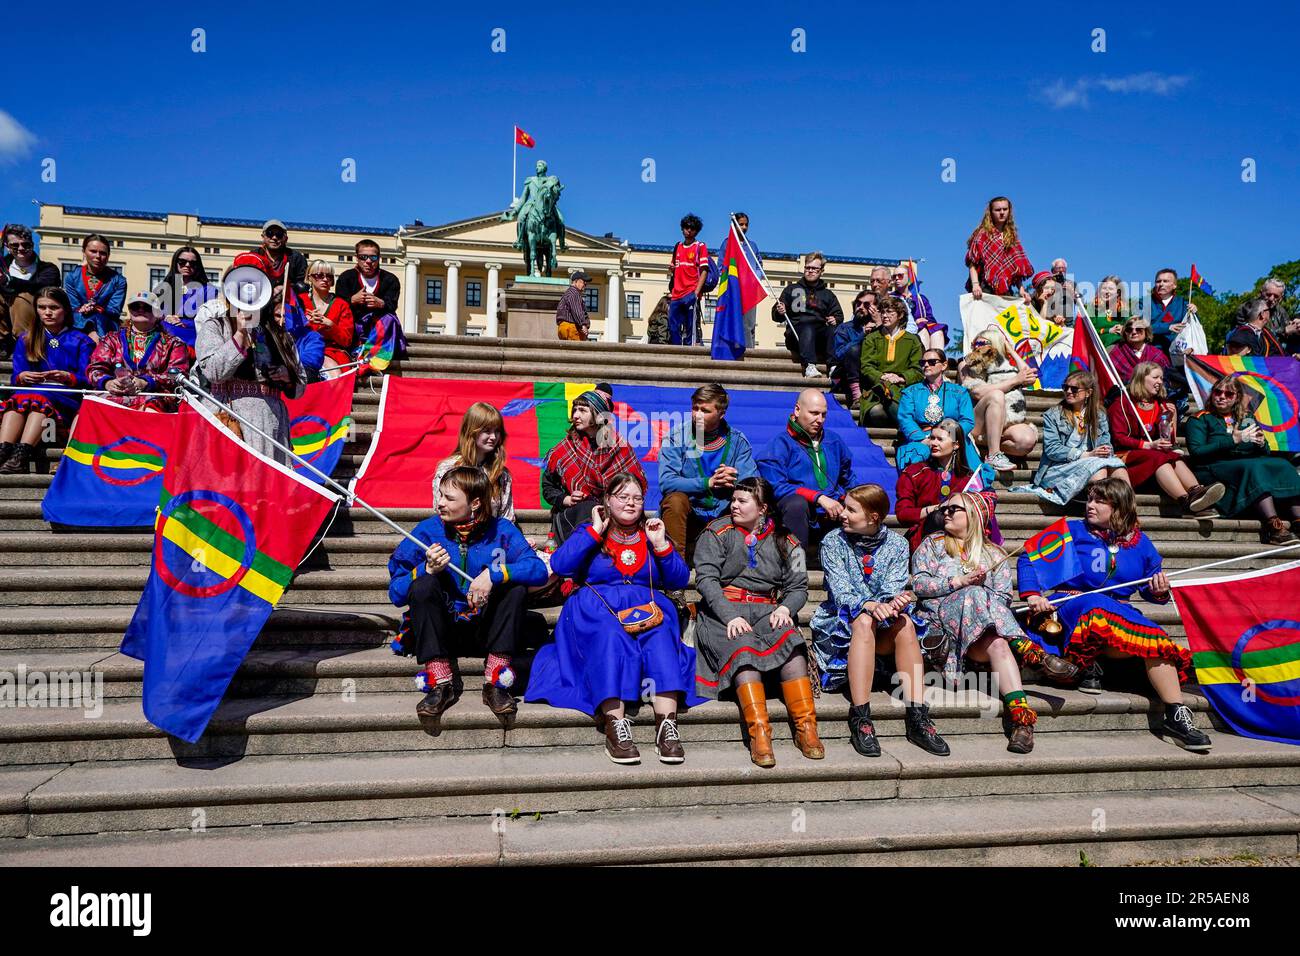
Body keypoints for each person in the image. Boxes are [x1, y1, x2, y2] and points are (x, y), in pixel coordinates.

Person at [1019, 478, 1212, 751]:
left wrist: (1158, 589)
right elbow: (1028, 557)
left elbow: (1149, 590)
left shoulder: (1141, 543)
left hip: (1119, 614)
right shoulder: (1072, 531)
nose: (1090, 505)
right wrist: (1033, 595)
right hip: (1072, 608)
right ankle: (1090, 664)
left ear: (1119, 507)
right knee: (1096, 607)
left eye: (1100, 501)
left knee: (1155, 641)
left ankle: (1176, 713)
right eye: (1090, 499)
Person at [525, 473, 699, 765]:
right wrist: (594, 531)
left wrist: (660, 545)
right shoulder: (590, 530)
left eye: (637, 498)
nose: (631, 503)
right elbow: (560, 565)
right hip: (596, 607)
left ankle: (666, 727)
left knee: (659, 637)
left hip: (648, 608)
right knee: (609, 635)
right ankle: (615, 726)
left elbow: (679, 579)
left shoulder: (652, 530)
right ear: (607, 500)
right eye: (623, 496)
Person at [387, 466, 547, 727]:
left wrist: (494, 574)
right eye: (440, 495)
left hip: (487, 630)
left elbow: (539, 570)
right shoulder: (427, 531)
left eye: (449, 498)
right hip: (443, 632)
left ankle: (495, 681)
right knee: (423, 585)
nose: (440, 503)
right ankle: (440, 683)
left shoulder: (502, 531)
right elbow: (396, 593)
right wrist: (424, 570)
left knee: (515, 586)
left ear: (474, 503)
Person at [809, 483, 949, 757]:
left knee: (906, 623)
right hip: (841, 623)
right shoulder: (832, 542)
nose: (843, 514)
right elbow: (841, 591)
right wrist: (870, 605)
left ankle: (918, 716)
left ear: (873, 517)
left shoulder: (897, 544)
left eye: (851, 509)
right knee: (862, 620)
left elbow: (893, 585)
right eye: (845, 507)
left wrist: (892, 602)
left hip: (882, 622)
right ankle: (861, 717)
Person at [692, 476, 822, 767]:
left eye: (742, 501)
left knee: (791, 644)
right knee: (744, 648)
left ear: (763, 508)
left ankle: (806, 727)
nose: (734, 505)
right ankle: (759, 731)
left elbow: (799, 587)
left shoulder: (791, 543)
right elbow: (707, 580)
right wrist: (730, 615)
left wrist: (786, 609)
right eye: (733, 500)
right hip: (724, 611)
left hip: (767, 610)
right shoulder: (716, 532)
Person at [911, 492, 1039, 753]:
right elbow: (919, 585)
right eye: (944, 508)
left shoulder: (995, 554)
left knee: (999, 644)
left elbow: (1002, 601)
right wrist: (958, 583)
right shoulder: (932, 545)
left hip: (977, 639)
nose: (944, 513)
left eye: (953, 509)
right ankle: (1029, 649)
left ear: (974, 516)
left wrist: (979, 593)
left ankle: (1021, 719)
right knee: (973, 592)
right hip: (940, 632)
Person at [195, 265, 307, 462]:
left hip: (270, 420)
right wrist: (239, 335)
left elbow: (301, 386)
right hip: (229, 414)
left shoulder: (280, 334)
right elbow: (213, 372)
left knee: (267, 485)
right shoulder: (215, 326)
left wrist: (288, 377)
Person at [1186, 374, 1300, 544]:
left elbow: (1265, 450)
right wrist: (1232, 440)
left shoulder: (1246, 417)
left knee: (1283, 464)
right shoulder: (1200, 419)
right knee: (1254, 468)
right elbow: (1197, 451)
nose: (1222, 397)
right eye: (1218, 392)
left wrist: (1261, 444)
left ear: (1237, 397)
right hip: (1214, 466)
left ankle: (1298, 520)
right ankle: (1274, 526)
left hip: (1246, 462)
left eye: (1229, 394)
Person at [657, 383, 758, 558]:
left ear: (721, 414)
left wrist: (734, 479)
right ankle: (675, 569)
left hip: (725, 512)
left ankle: (746, 564)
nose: (698, 415)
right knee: (674, 500)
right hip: (691, 514)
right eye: (695, 408)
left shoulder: (737, 441)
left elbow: (753, 482)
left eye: (705, 410)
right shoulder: (676, 436)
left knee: (749, 499)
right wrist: (708, 482)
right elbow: (667, 481)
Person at [0, 287, 94, 475]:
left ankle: (21, 456)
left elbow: (90, 379)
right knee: (16, 401)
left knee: (37, 399)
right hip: (33, 393)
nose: (47, 312)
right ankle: (4, 451)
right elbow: (15, 376)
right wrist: (23, 376)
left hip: (66, 397)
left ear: (66, 310)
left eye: (54, 307)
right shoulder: (26, 338)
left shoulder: (81, 340)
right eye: (42, 307)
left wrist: (69, 377)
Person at [1109, 362, 1221, 514]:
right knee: (1159, 457)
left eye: (1161, 378)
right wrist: (1149, 445)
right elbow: (1118, 438)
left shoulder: (1161, 405)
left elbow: (1168, 441)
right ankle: (1185, 501)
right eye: (1155, 377)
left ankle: (1197, 492)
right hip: (1126, 457)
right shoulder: (1121, 404)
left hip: (1153, 457)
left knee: (1171, 455)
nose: (1160, 382)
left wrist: (1170, 420)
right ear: (1141, 378)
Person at [542, 389, 645, 544]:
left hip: (614, 512)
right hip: (577, 514)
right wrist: (566, 499)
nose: (575, 415)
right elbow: (548, 487)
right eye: (574, 410)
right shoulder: (563, 450)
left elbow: (636, 485)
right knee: (588, 508)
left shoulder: (619, 445)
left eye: (582, 410)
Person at [756, 388, 854, 547]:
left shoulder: (834, 441)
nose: (820, 420)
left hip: (832, 513)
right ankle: (796, 564)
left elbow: (848, 478)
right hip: (798, 513)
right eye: (814, 413)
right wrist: (818, 497)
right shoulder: (780, 444)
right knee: (796, 504)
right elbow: (775, 486)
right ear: (797, 410)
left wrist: (852, 498)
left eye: (823, 414)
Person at [1029, 370, 1128, 505]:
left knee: (1119, 467)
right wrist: (1085, 454)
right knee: (1100, 467)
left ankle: (1127, 511)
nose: (1068, 391)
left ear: (1088, 393)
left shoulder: (1099, 415)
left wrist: (1105, 450)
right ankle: (1095, 509)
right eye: (1065, 387)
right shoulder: (1053, 415)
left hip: (1092, 463)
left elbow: (1105, 442)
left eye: (1074, 389)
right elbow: (1052, 450)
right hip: (1059, 468)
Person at [895, 419, 995, 551]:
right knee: (937, 517)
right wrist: (937, 508)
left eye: (940, 439)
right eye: (932, 438)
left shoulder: (969, 478)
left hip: (963, 539)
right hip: (924, 540)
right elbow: (903, 514)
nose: (933, 443)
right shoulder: (914, 472)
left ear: (956, 445)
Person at [86, 291, 190, 413]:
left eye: (146, 307)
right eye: (135, 306)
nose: (140, 310)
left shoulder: (173, 344)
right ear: (130, 311)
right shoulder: (112, 339)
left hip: (156, 397)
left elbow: (178, 375)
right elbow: (95, 368)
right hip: (114, 394)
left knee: (152, 408)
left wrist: (147, 381)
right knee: (88, 405)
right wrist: (107, 382)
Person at [959, 326, 1038, 472]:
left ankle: (984, 446)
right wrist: (1015, 381)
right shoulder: (966, 364)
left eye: (983, 344)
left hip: (1003, 422)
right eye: (976, 343)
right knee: (996, 395)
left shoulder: (1004, 365)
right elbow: (977, 392)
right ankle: (993, 454)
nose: (977, 347)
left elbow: (1030, 376)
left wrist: (1010, 350)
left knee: (1026, 440)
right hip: (977, 422)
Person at [432, 402, 516, 521]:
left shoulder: (501, 474)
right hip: (455, 536)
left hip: (492, 538)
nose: (493, 437)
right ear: (471, 431)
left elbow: (507, 517)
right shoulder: (448, 468)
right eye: (487, 431)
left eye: (497, 431)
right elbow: (441, 510)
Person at [894, 348, 974, 471]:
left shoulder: (959, 392)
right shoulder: (910, 392)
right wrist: (923, 439)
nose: (926, 365)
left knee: (968, 459)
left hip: (952, 437)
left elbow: (967, 420)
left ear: (944, 365)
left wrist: (950, 438)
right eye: (922, 363)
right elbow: (905, 418)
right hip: (922, 438)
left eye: (931, 362)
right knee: (917, 454)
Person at [773, 251, 843, 377]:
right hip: (797, 334)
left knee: (833, 330)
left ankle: (833, 366)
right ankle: (810, 366)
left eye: (814, 268)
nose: (810, 271)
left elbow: (838, 315)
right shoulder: (791, 289)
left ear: (821, 271)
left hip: (819, 337)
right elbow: (775, 316)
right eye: (807, 267)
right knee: (808, 326)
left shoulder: (828, 295)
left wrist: (835, 319)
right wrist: (779, 311)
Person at [858, 296, 922, 428]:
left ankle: (910, 432)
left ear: (900, 315)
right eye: (882, 312)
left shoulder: (913, 340)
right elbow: (866, 366)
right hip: (877, 391)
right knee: (876, 412)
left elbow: (917, 370)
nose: (885, 316)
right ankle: (910, 430)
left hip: (903, 390)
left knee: (896, 406)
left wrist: (900, 378)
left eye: (890, 312)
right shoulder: (872, 338)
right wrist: (882, 377)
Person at [1, 224, 59, 354]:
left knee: (22, 297)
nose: (21, 248)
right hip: (5, 322)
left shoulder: (48, 269)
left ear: (33, 245)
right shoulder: (2, 266)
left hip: (34, 321)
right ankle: (2, 343)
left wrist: (9, 281)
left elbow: (42, 287)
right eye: (15, 245)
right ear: (7, 247)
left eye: (25, 245)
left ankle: (25, 344)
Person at [335, 239, 401, 345]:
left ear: (379, 258)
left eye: (373, 257)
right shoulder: (346, 277)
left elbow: (392, 305)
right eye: (363, 257)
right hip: (353, 325)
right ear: (357, 258)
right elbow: (337, 304)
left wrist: (381, 303)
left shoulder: (390, 279)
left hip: (380, 326)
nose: (369, 261)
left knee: (390, 318)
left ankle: (379, 356)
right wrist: (352, 300)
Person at [965, 197, 1034, 300]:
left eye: (1005, 209)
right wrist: (975, 284)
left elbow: (1016, 271)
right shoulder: (983, 234)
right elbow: (972, 262)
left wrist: (1021, 290)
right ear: (991, 212)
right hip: (985, 288)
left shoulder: (1012, 237)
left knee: (1008, 315)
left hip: (1006, 290)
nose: (1002, 212)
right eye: (997, 210)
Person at [153, 246, 217, 355]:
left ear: (198, 266)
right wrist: (167, 317)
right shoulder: (164, 287)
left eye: (192, 263)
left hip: (192, 335)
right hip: (164, 334)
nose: (187, 265)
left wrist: (181, 322)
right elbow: (153, 312)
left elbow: (208, 320)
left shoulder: (208, 290)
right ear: (175, 263)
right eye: (182, 262)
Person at [63, 234, 127, 341]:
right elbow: (73, 307)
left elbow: (114, 310)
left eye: (103, 253)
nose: (98, 256)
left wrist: (95, 309)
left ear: (108, 256)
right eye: (93, 251)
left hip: (105, 326)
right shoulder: (72, 277)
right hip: (78, 323)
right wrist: (81, 310)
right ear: (84, 252)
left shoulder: (118, 280)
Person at [830, 289, 879, 404]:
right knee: (854, 349)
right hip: (849, 376)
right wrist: (862, 335)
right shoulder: (845, 328)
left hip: (874, 374)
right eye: (858, 303)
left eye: (866, 304)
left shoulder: (884, 327)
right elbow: (839, 354)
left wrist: (880, 325)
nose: (860, 307)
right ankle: (857, 397)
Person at [667, 214, 709, 346]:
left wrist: (696, 292)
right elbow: (674, 267)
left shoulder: (700, 246)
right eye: (686, 227)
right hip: (676, 294)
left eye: (692, 228)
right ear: (682, 229)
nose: (689, 230)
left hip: (690, 292)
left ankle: (689, 355)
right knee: (672, 326)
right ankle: (675, 353)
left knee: (690, 328)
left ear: (696, 230)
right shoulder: (677, 246)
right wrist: (672, 269)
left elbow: (704, 270)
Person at [240, 219, 308, 294]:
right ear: (263, 237)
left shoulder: (296, 258)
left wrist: (286, 287)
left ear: (286, 239)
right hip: (258, 299)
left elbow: (302, 284)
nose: (274, 237)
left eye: (279, 234)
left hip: (287, 301)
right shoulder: (254, 256)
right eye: (270, 233)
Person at [1232, 278, 1298, 354]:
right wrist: (1284, 331)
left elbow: (1289, 333)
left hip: (1274, 354)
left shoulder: (1281, 312)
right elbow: (1248, 335)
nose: (1271, 298)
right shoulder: (1247, 308)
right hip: (1252, 353)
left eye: (1276, 296)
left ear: (1280, 299)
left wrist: (1296, 327)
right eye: (1268, 294)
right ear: (1261, 293)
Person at [891, 262, 945, 350]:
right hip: (904, 332)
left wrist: (925, 321)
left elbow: (930, 318)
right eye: (894, 277)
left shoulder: (921, 299)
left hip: (924, 328)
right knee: (922, 331)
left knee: (938, 331)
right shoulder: (891, 298)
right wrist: (915, 323)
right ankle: (924, 362)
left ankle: (937, 360)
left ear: (909, 277)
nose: (897, 278)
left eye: (900, 275)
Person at [1143, 268, 1195, 355]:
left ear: (1174, 285)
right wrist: (1167, 327)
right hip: (1151, 351)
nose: (1161, 284)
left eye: (1165, 281)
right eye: (1158, 281)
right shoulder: (1144, 303)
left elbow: (1191, 328)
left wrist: (1194, 313)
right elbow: (1141, 327)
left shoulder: (1183, 304)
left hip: (1177, 354)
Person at [1108, 317, 1169, 386]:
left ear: (1146, 332)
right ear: (1125, 333)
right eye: (1129, 330)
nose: (1134, 332)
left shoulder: (1157, 355)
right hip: (1124, 394)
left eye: (1139, 329)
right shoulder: (1116, 353)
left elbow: (1166, 380)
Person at [1087, 275, 1129, 348]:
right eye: (1104, 288)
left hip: (1123, 344)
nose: (1107, 291)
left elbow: (1132, 325)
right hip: (1101, 346)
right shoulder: (1093, 308)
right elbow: (1087, 330)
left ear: (1118, 292)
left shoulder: (1123, 308)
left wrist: (1124, 329)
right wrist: (1108, 330)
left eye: (1110, 289)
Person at [554, 270, 591, 341]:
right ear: (576, 281)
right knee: (576, 351)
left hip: (565, 327)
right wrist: (583, 325)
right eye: (583, 282)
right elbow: (576, 310)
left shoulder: (569, 293)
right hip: (572, 328)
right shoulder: (574, 293)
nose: (585, 285)